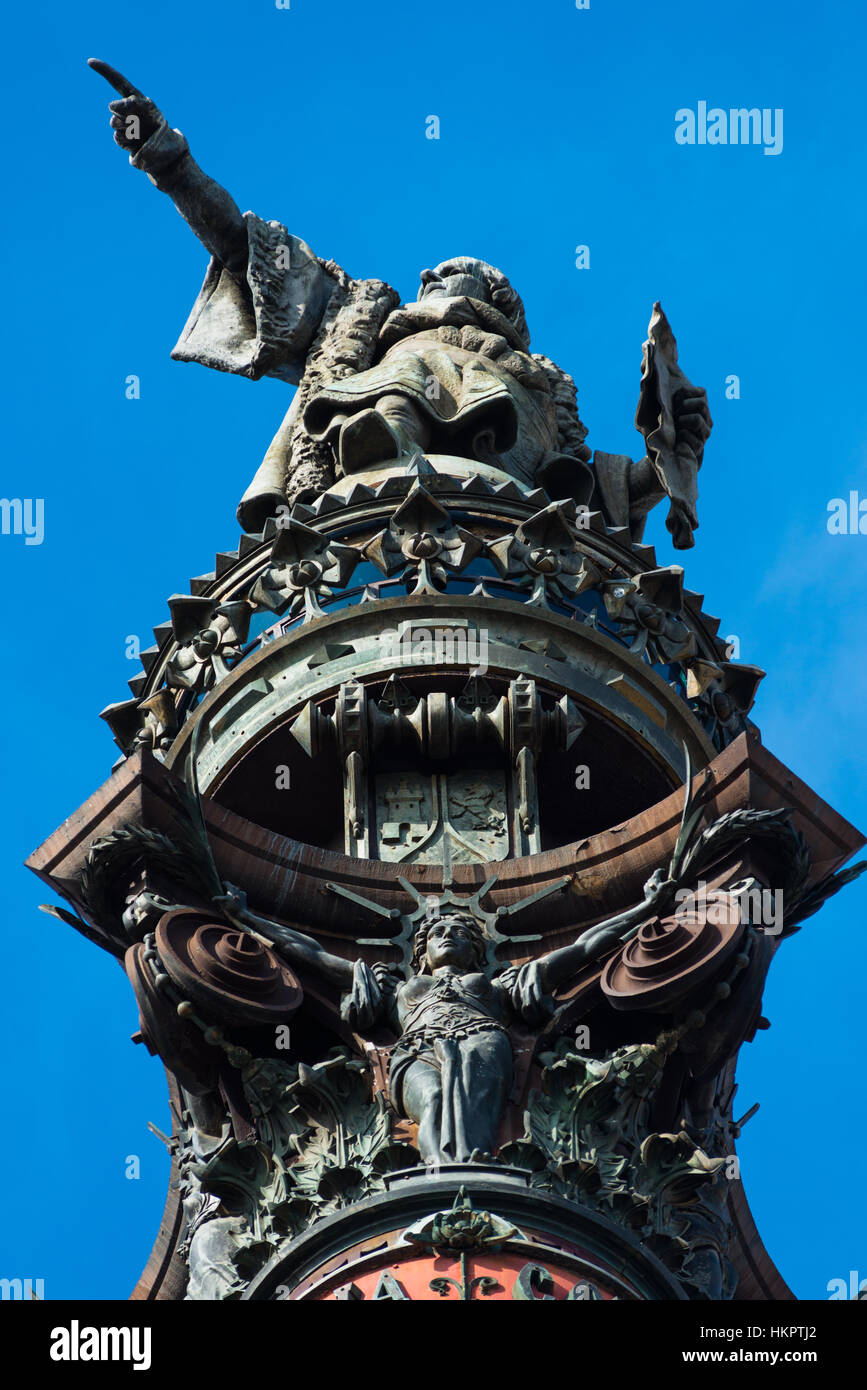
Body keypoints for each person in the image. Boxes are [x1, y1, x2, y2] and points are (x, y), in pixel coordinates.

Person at [89, 61, 712, 540]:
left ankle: (394, 439)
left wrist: (670, 455)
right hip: (381, 435)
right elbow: (246, 250)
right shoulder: (367, 316)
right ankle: (384, 438)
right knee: (406, 373)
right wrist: (168, 158)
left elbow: (589, 485)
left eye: (446, 274)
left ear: (497, 299)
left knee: (446, 393)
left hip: (509, 495)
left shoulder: (543, 385)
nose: (428, 278)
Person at [212, 870, 674, 1165]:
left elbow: (584, 949)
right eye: (437, 932)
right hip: (416, 1047)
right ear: (422, 950)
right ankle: (443, 1174)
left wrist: (646, 908)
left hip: (482, 1039)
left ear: (477, 949)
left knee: (476, 1109)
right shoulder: (392, 988)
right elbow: (308, 953)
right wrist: (247, 916)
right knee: (431, 1104)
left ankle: (474, 1169)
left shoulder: (499, 986)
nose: (448, 935)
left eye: (459, 931)